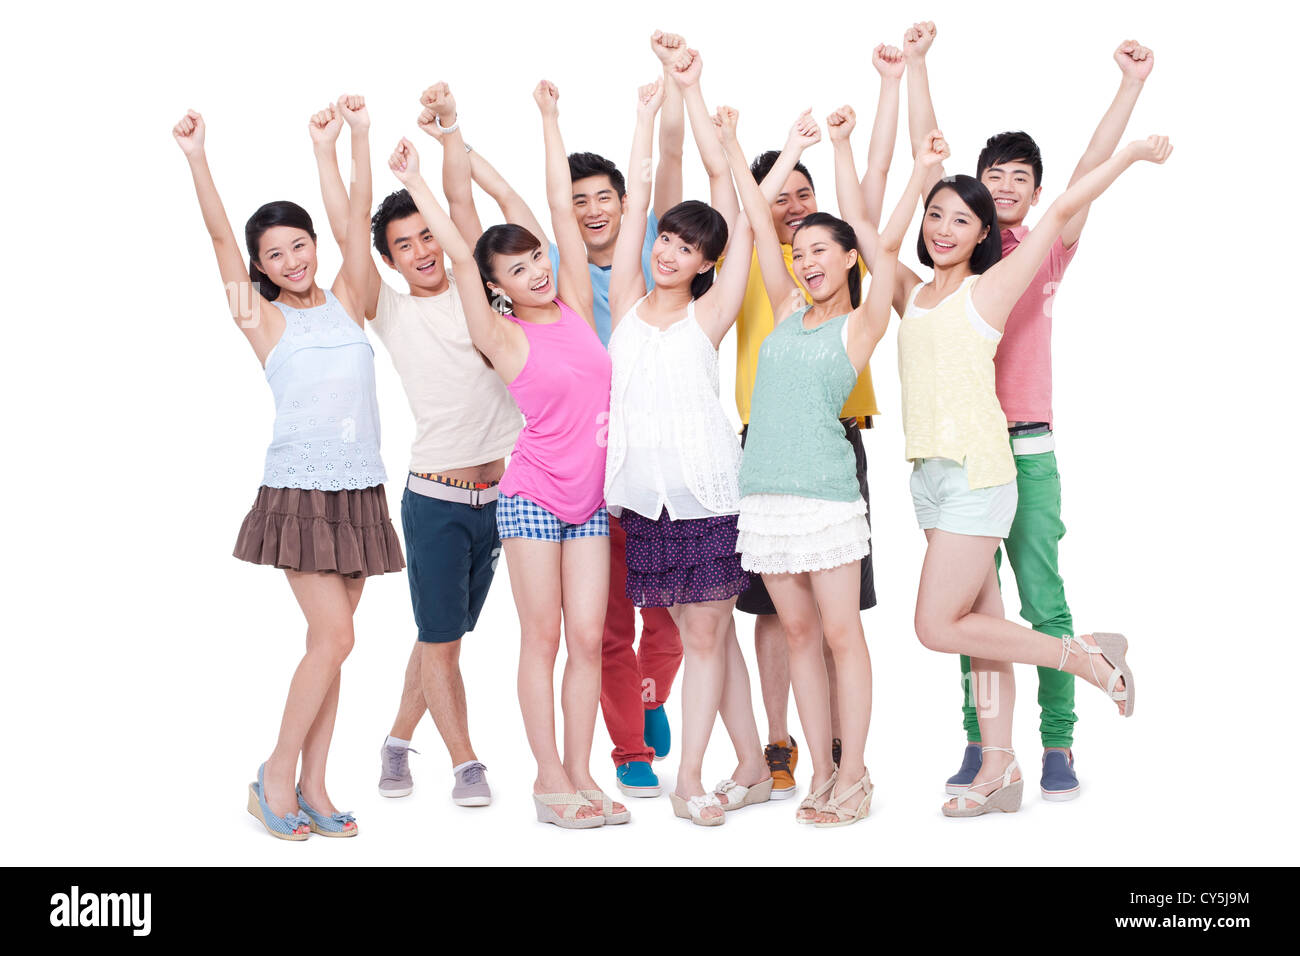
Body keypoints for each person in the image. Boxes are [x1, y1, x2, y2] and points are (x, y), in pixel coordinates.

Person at [843, 97, 1170, 814]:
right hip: (927, 478)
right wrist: (908, 165)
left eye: (962, 218)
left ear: (987, 231)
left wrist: (1129, 157)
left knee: (936, 625)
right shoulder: (912, 292)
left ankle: (1081, 658)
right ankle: (998, 767)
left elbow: (1063, 208)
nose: (943, 228)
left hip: (982, 473)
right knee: (975, 629)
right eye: (936, 216)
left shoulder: (993, 288)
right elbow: (865, 233)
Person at [389, 78, 625, 830]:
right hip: (529, 497)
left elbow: (548, 207)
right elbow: (461, 257)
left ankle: (583, 775)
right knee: (546, 637)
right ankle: (549, 780)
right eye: (519, 270)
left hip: (589, 498)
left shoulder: (578, 307)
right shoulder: (503, 335)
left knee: (588, 637)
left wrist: (551, 118)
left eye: (538, 261)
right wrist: (419, 180)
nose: (538, 271)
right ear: (497, 288)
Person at [174, 97, 404, 841]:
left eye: (297, 245)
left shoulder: (350, 302)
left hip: (360, 492)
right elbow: (217, 235)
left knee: (325, 648)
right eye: (274, 255)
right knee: (336, 639)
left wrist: (346, 143)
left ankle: (312, 783)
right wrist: (198, 157)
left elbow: (358, 216)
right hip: (300, 495)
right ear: (262, 267)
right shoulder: (261, 317)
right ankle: (275, 774)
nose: (291, 261)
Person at [726, 105, 948, 825]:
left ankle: (854, 774)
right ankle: (823, 768)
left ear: (848, 258)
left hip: (825, 500)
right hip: (765, 500)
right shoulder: (788, 308)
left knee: (840, 635)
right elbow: (760, 224)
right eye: (802, 251)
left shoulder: (863, 321)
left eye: (824, 248)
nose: (808, 258)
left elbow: (886, 251)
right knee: (795, 638)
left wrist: (917, 176)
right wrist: (755, 142)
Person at [309, 86, 522, 809]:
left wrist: (442, 145)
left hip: (506, 498)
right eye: (405, 245)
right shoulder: (391, 310)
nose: (423, 249)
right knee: (443, 639)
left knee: (444, 636)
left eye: (427, 235)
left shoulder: (481, 291)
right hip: (436, 499)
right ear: (391, 261)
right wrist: (340, 145)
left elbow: (464, 208)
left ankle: (396, 741)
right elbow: (346, 234)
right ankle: (466, 763)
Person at [604, 60, 769, 826]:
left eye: (685, 247)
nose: (668, 251)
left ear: (706, 265)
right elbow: (635, 205)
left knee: (704, 635)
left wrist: (709, 113)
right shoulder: (628, 306)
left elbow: (739, 212)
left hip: (707, 495)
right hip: (646, 500)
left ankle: (690, 777)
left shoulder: (712, 315)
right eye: (666, 240)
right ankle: (754, 764)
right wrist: (646, 113)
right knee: (710, 632)